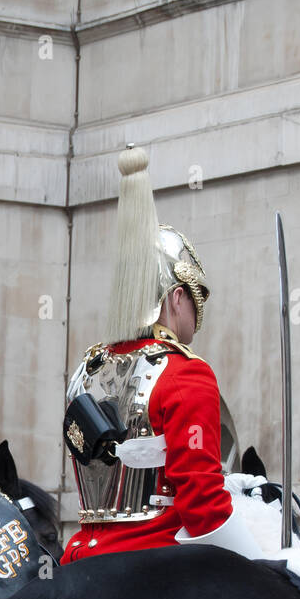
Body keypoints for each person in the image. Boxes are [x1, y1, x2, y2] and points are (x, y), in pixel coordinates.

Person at [62, 145, 261, 563]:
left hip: (79, 560)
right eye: (195, 298)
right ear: (175, 297)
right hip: (151, 567)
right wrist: (258, 568)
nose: (198, 314)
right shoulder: (185, 373)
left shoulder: (86, 369)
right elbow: (203, 504)